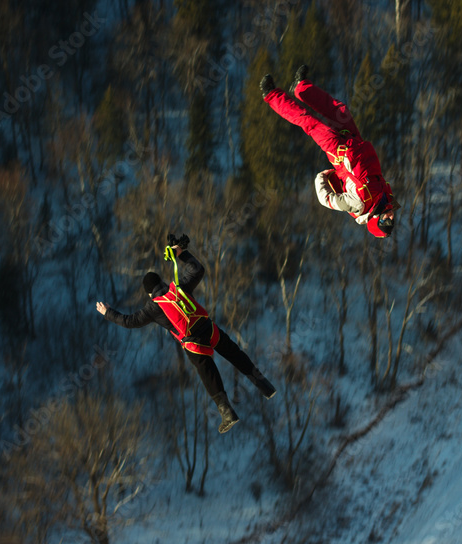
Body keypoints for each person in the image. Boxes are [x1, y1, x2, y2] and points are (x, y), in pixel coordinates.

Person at [95, 234, 275, 433]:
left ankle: (227, 414)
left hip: (193, 343)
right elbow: (198, 269)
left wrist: (107, 312)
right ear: (162, 283)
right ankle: (264, 385)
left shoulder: (152, 308)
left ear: (149, 293)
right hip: (209, 328)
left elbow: (129, 322)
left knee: (209, 375)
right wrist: (181, 253)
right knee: (235, 353)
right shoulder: (179, 287)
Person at [261, 65, 397, 238]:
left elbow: (327, 200)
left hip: (339, 152)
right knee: (339, 110)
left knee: (310, 122)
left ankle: (272, 95)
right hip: (356, 144)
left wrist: (321, 178)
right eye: (392, 221)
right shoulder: (387, 197)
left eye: (385, 222)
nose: (391, 218)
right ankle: (300, 87)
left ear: (374, 220)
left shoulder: (359, 206)